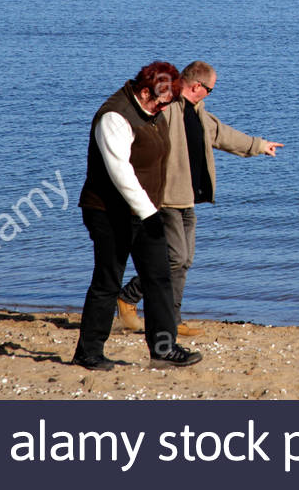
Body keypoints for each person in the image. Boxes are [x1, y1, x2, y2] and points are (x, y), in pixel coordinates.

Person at [117, 60, 282, 335]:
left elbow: (222, 134)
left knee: (185, 261)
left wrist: (258, 145)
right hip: (165, 198)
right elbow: (138, 127)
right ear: (197, 86)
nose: (210, 94)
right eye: (210, 90)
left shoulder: (197, 112)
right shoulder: (166, 107)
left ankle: (172, 320)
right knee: (174, 258)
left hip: (188, 198)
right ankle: (128, 297)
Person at [71, 61, 201, 371]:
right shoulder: (114, 117)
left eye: (167, 104)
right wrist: (150, 214)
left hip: (146, 211)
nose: (162, 109)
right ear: (144, 91)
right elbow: (121, 173)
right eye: (160, 103)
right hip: (108, 212)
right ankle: (88, 353)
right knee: (107, 281)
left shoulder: (155, 111)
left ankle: (163, 349)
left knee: (159, 277)